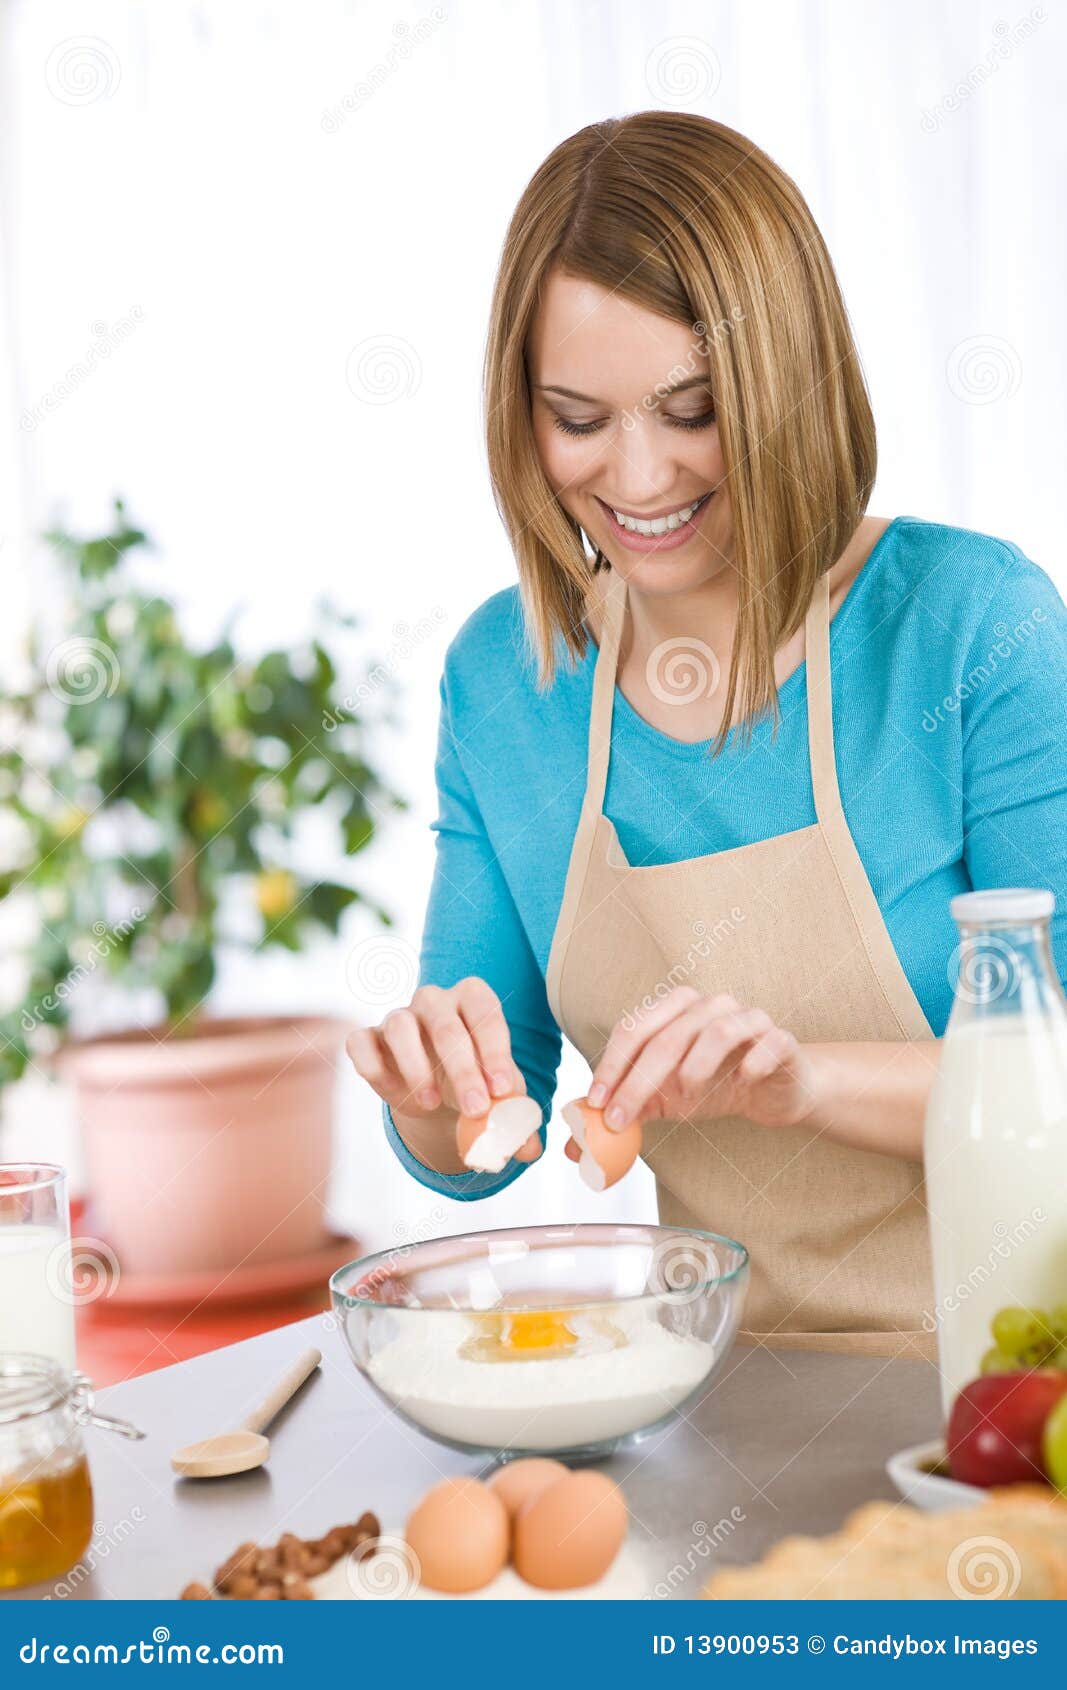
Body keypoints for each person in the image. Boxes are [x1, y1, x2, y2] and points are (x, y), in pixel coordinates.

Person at [347, 111, 1067, 1356]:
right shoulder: (507, 680)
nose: (636, 478)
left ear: (784, 383)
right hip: (724, 1398)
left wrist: (802, 1082)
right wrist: (432, 1095)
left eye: (691, 410)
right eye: (577, 419)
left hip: (1020, 1391)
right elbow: (481, 1149)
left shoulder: (965, 628)